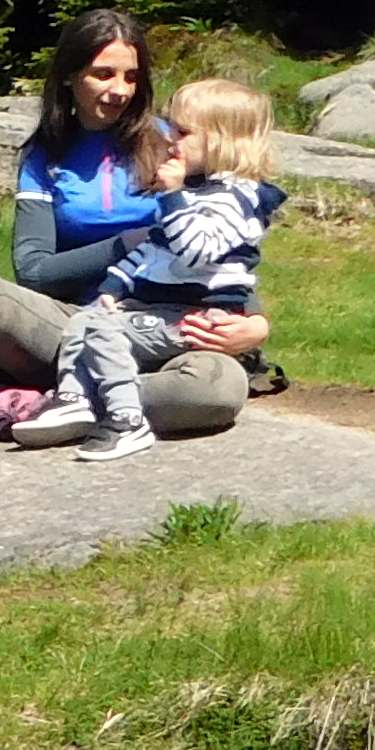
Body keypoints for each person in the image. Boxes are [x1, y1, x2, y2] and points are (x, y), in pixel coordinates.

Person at [0, 6, 268, 501]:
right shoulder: (43, 158)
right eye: (103, 74)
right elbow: (34, 271)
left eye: (130, 76)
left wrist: (254, 325)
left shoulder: (175, 143)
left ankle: (41, 406)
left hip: (167, 334)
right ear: (69, 76)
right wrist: (132, 242)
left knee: (217, 389)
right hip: (76, 327)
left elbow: (224, 240)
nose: (118, 90)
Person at [58, 79, 284, 465]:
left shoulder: (235, 199)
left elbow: (196, 251)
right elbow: (155, 249)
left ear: (221, 141)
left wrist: (172, 196)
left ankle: (126, 419)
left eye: (182, 132)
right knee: (87, 320)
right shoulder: (200, 192)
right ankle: (72, 400)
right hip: (162, 308)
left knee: (103, 330)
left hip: (193, 314)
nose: (170, 140)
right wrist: (116, 284)